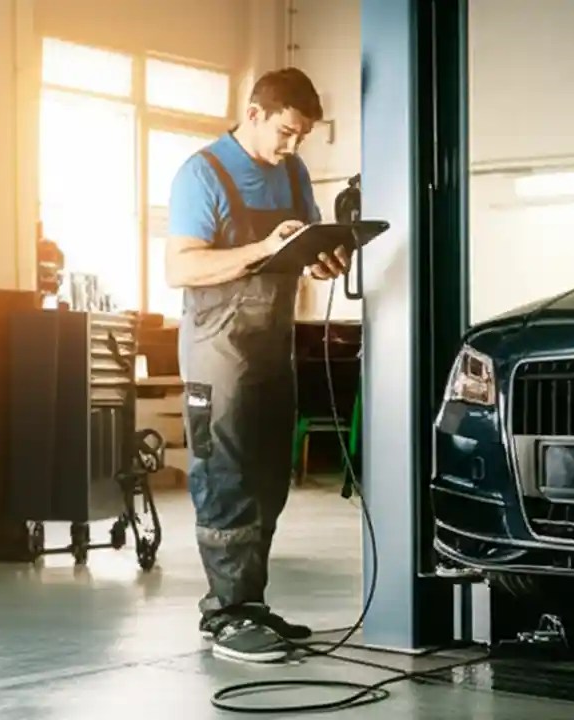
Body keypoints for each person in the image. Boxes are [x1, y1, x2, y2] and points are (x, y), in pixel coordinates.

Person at [165, 67, 349, 664]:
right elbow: (182, 268)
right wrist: (264, 249)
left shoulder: (293, 173)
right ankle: (224, 611)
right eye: (286, 132)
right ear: (254, 113)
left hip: (272, 347)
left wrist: (322, 257)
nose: (293, 147)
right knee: (226, 476)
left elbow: (302, 245)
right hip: (217, 351)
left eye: (301, 136)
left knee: (268, 479)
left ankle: (250, 603)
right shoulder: (203, 173)